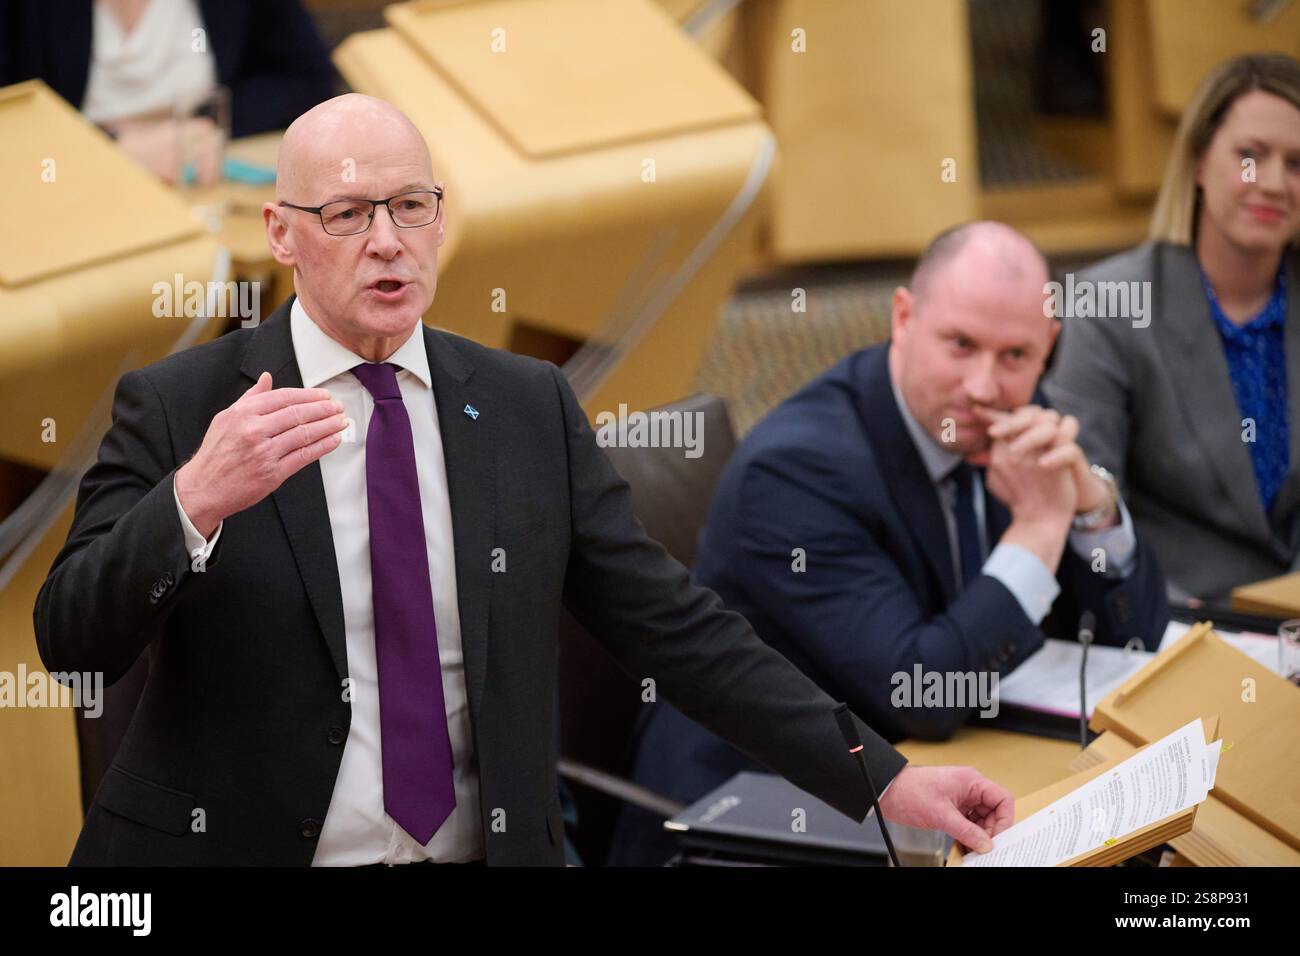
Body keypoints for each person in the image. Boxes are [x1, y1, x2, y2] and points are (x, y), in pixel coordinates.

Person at [33, 94, 1014, 866]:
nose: (388, 241)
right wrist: (193, 499)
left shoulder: (521, 406)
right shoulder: (180, 403)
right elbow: (71, 636)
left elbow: (677, 628)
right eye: (346, 214)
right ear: (281, 232)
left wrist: (878, 778)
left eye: (410, 207)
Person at [610, 221, 1169, 866]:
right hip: (761, 818)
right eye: (959, 344)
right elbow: (921, 690)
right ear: (903, 317)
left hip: (937, 780)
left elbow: (1137, 632)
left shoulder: (1013, 414)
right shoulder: (796, 470)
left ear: (1048, 347)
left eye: (1015, 356)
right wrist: (1040, 530)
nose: (985, 385)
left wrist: (1091, 508)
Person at [1045, 53, 1300, 602]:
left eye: (1298, 162)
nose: (1276, 183)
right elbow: (1087, 504)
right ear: (1201, 163)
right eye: (1251, 156)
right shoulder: (1108, 306)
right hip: (1178, 623)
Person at [0, 0, 333, 181]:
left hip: (202, 185)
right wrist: (112, 148)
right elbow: (12, 122)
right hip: (65, 185)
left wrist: (207, 125)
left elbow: (308, 76)